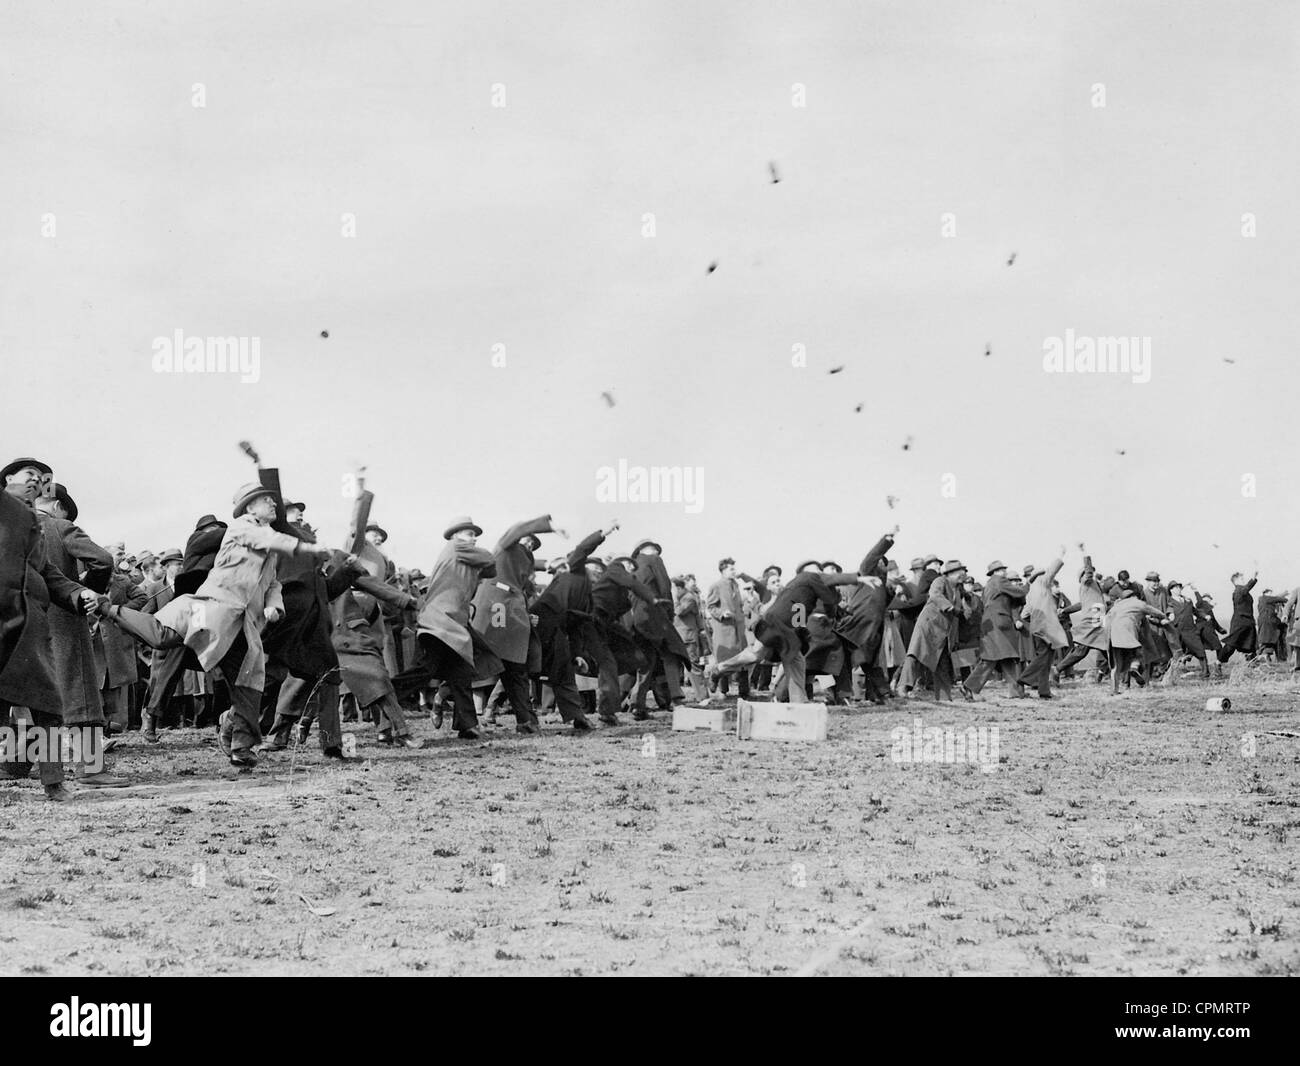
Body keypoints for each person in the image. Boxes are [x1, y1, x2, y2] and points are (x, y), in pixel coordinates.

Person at [96, 483, 331, 767]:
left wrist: (274, 606)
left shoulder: (269, 546)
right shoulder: (241, 528)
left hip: (242, 625)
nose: (273, 505)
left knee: (248, 683)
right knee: (162, 636)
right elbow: (273, 541)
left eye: (273, 500)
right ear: (248, 507)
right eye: (266, 500)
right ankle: (108, 608)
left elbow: (273, 583)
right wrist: (310, 548)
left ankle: (241, 747)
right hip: (209, 609)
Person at [0, 457, 100, 800]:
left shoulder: (34, 522)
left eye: (43, 480)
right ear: (8, 477)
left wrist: (79, 593)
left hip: (30, 626)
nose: (37, 482)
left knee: (48, 703)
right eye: (30, 475)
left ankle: (54, 782)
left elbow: (48, 573)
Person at [33, 482, 125, 787]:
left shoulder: (13, 527)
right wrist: (88, 590)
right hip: (64, 619)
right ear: (60, 506)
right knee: (79, 693)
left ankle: (20, 765)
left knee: (29, 697)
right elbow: (104, 560)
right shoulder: (60, 527)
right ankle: (92, 768)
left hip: (24, 622)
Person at [392, 515, 500, 739]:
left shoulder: (462, 557)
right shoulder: (456, 547)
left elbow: (491, 570)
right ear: (455, 535)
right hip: (439, 623)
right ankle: (384, 698)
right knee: (424, 671)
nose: (473, 539)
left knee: (460, 674)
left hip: (450, 625)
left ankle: (467, 725)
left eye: (475, 535)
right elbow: (489, 559)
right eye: (469, 534)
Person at [470, 515, 559, 734]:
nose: (529, 544)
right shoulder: (503, 548)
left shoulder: (524, 566)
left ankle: (525, 720)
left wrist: (550, 565)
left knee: (515, 668)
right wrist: (548, 526)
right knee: (477, 662)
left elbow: (525, 588)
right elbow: (516, 529)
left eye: (533, 544)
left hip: (511, 613)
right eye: (527, 539)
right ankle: (442, 699)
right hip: (493, 608)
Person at [901, 560, 972, 702]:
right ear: (950, 574)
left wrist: (967, 606)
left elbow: (965, 613)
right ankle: (903, 687)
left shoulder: (959, 590)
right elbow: (934, 594)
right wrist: (950, 607)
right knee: (916, 655)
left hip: (943, 631)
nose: (962, 574)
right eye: (959, 572)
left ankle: (944, 696)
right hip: (928, 625)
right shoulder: (940, 581)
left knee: (942, 661)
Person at [964, 561, 1029, 698]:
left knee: (1006, 657)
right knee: (992, 659)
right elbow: (1018, 592)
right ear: (998, 571)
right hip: (999, 623)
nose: (1005, 572)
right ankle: (968, 687)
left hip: (993, 623)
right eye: (1003, 569)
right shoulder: (999, 580)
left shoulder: (990, 584)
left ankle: (1016, 692)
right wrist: (1029, 584)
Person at [1106, 589, 1172, 694]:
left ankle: (1114, 690)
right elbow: (1155, 612)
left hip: (1114, 635)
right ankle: (1134, 668)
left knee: (1116, 665)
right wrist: (1164, 617)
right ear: (1134, 596)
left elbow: (1108, 619)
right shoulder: (1137, 603)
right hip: (1128, 632)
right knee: (1139, 655)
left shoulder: (1116, 606)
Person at [705, 559, 750, 699]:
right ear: (723, 570)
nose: (734, 571)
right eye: (731, 569)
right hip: (725, 629)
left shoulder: (736, 585)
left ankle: (744, 692)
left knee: (743, 660)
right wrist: (722, 614)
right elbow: (711, 606)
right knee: (724, 659)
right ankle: (722, 690)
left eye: (734, 569)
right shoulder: (716, 586)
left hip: (739, 629)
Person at [1216, 570, 1258, 665]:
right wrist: (1253, 578)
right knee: (1231, 645)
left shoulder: (1245, 592)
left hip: (1248, 622)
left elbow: (1246, 590)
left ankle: (1253, 666)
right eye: (1242, 579)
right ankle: (1218, 663)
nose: (1244, 580)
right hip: (1240, 623)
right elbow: (1246, 589)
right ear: (1236, 581)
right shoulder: (1238, 591)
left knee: (1250, 645)